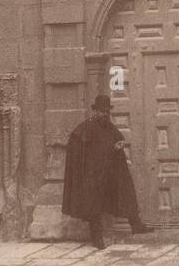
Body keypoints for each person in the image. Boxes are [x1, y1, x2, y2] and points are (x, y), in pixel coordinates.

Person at [62, 94, 154, 249]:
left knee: (126, 190)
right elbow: (78, 146)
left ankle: (136, 224)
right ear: (95, 111)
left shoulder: (109, 126)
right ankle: (96, 237)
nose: (104, 114)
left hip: (109, 172)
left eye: (106, 111)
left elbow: (117, 138)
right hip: (93, 175)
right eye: (101, 111)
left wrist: (118, 145)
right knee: (93, 204)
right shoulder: (87, 127)